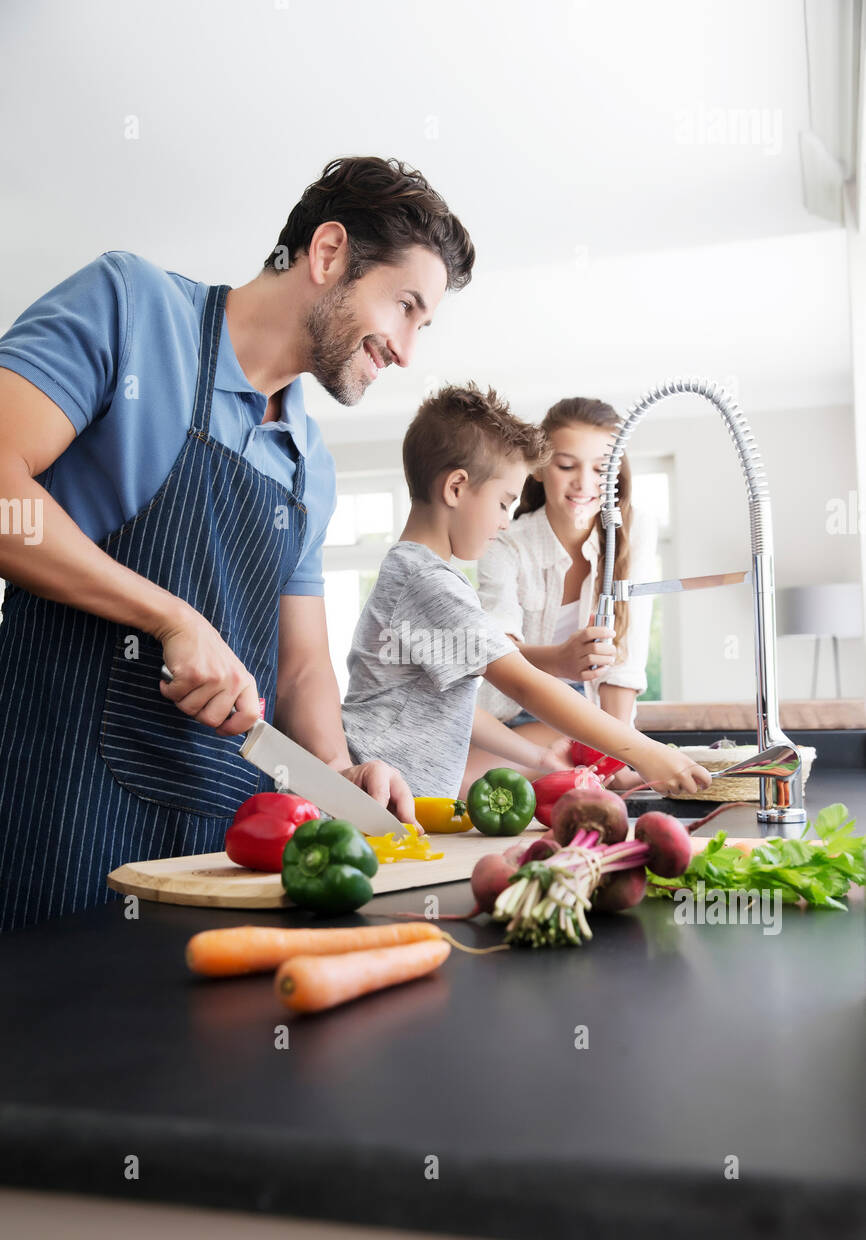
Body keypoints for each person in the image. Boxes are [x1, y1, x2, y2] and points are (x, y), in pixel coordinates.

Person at [0, 156, 474, 928]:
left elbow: (301, 665)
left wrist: (339, 773)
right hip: (56, 813)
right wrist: (172, 620)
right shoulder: (131, 307)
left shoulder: (307, 463)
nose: (408, 350)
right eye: (405, 307)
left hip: (222, 857)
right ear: (327, 255)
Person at [340, 383, 712, 801]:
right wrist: (646, 752)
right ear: (456, 488)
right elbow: (525, 685)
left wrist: (539, 758)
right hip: (374, 798)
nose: (505, 522)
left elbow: (462, 713)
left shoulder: (418, 574)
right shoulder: (429, 584)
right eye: (503, 503)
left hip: (391, 797)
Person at [463, 396, 657, 795]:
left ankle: (577, 772)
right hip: (514, 714)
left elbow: (626, 660)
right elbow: (494, 647)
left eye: (602, 469)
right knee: (453, 788)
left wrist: (616, 753)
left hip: (597, 721)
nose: (584, 483)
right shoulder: (507, 541)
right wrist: (560, 661)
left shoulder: (632, 532)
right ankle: (571, 773)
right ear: (538, 469)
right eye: (566, 465)